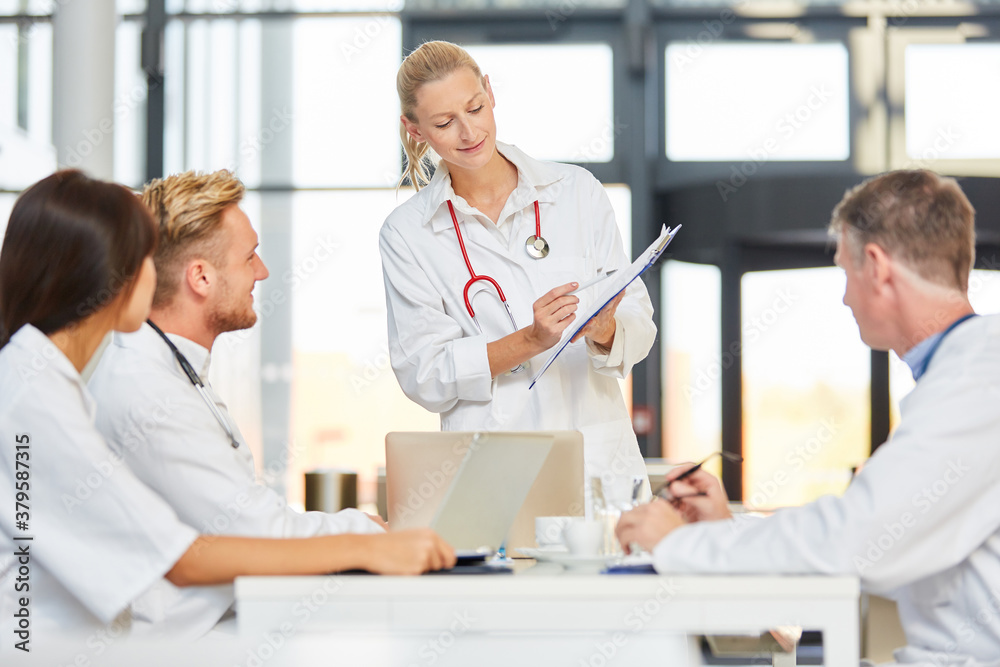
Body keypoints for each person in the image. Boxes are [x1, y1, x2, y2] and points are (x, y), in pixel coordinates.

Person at [0, 171, 455, 646]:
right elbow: (181, 559)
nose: (155, 274)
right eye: (144, 258)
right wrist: (366, 545)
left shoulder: (37, 378)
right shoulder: (42, 394)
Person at [616, 170, 1000, 666]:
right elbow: (864, 525)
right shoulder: (968, 371)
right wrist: (721, 531)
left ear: (878, 266)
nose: (844, 297)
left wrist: (679, 546)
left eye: (845, 271)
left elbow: (857, 540)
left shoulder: (977, 383)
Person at [86, 169, 399, 638]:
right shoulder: (147, 390)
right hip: (176, 644)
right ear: (201, 277)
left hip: (214, 622)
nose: (262, 271)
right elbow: (255, 533)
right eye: (249, 256)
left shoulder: (172, 369)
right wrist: (368, 533)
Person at [380, 41, 656, 495]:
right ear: (414, 130)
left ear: (490, 92)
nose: (469, 132)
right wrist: (530, 340)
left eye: (475, 107)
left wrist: (604, 329)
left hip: (597, 466)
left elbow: (639, 326)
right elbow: (424, 375)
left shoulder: (576, 192)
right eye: (445, 123)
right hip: (492, 475)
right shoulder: (408, 233)